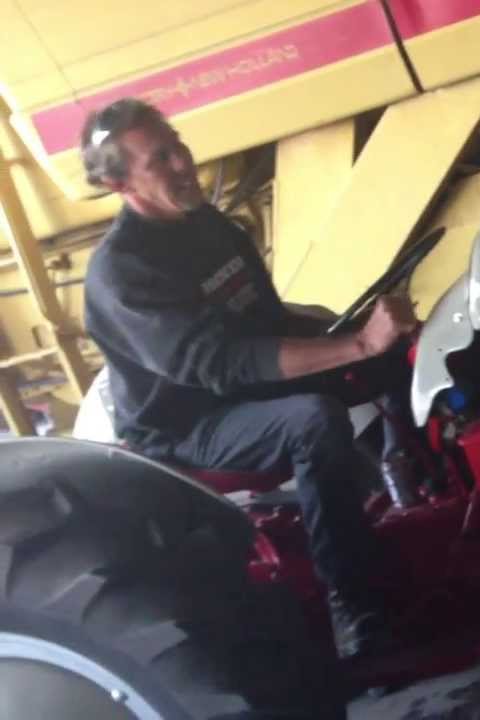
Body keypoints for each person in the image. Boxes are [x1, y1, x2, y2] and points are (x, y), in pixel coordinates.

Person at [80, 98, 417, 658]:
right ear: (120, 183)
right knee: (311, 420)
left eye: (178, 146)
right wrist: (355, 343)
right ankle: (354, 602)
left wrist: (366, 337)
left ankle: (429, 493)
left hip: (243, 388)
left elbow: (268, 321)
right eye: (160, 159)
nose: (183, 164)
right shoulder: (122, 272)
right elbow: (224, 363)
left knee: (400, 354)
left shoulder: (209, 224)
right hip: (186, 425)